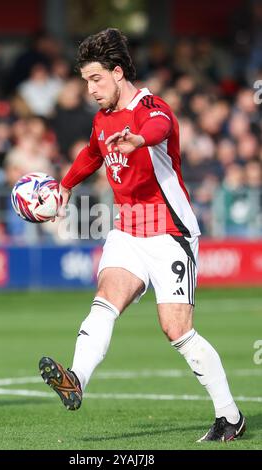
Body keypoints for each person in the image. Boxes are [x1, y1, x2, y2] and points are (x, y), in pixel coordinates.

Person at [39, 29, 246, 442]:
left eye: (96, 79)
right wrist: (65, 185)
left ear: (118, 72)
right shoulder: (102, 120)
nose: (90, 88)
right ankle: (76, 378)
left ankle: (230, 416)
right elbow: (93, 153)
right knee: (105, 301)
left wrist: (136, 139)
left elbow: (159, 126)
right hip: (128, 230)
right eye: (84, 81)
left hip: (170, 232)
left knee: (177, 330)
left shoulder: (150, 108)